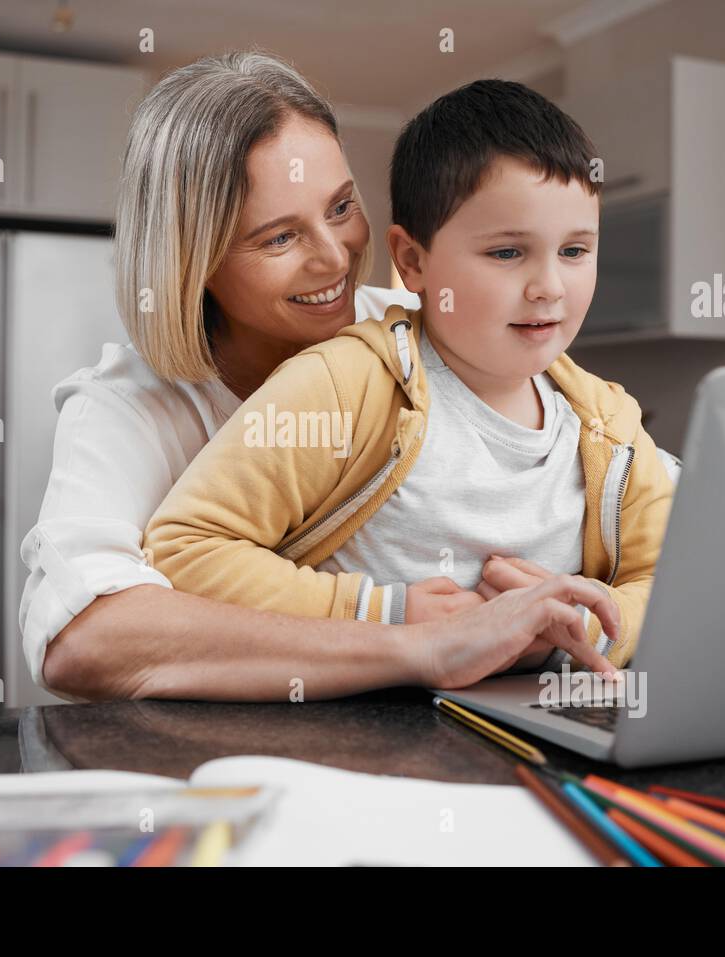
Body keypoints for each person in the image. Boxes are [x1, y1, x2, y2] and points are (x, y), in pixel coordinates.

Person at [20, 53, 623, 704]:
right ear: (193, 261)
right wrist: (413, 642)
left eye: (340, 207)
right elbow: (81, 639)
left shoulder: (408, 338)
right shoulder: (126, 407)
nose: (335, 258)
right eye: (279, 239)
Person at [144, 78, 676, 673]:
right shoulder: (342, 385)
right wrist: (384, 612)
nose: (549, 286)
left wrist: (588, 625)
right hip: (362, 739)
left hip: (536, 731)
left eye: (575, 251)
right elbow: (186, 550)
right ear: (413, 261)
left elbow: (679, 580)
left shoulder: (609, 426)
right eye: (507, 252)